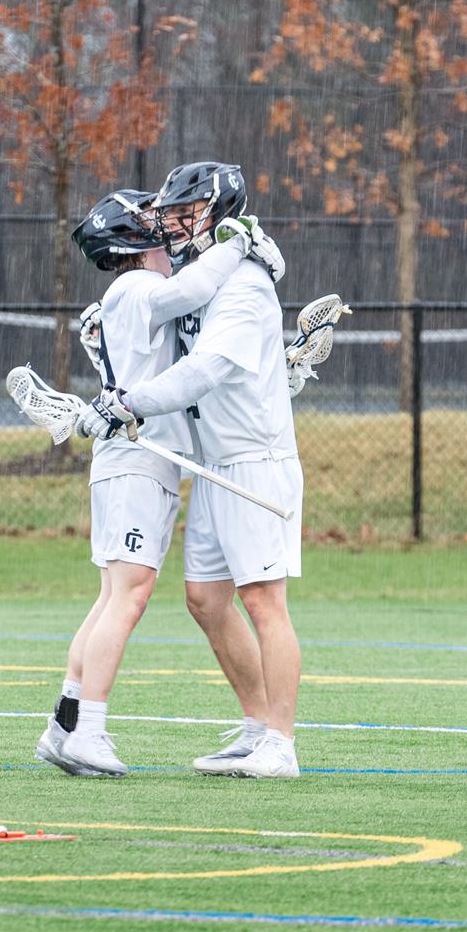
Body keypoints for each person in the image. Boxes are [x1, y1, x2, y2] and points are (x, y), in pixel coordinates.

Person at [81, 161, 303, 780]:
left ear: (217, 211)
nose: (174, 225)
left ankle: (281, 743)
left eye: (184, 213)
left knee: (264, 602)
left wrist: (127, 403)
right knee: (205, 600)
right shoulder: (203, 274)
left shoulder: (246, 283)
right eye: (171, 214)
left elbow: (203, 372)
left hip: (255, 461)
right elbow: (158, 326)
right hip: (211, 463)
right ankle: (256, 726)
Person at [37, 188, 256, 776]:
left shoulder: (131, 293)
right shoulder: (137, 286)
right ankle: (90, 731)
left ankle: (64, 726)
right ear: (132, 238)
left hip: (134, 460)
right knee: (129, 596)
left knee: (113, 597)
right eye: (154, 223)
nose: (168, 230)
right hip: (136, 462)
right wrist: (241, 243)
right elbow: (192, 289)